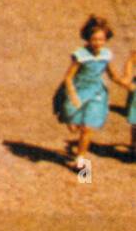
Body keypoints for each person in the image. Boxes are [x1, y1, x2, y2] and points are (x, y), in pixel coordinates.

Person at [53, 15, 130, 173]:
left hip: (96, 92)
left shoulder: (106, 55)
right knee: (74, 127)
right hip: (78, 89)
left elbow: (113, 76)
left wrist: (128, 85)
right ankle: (69, 119)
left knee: (87, 128)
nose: (98, 43)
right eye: (94, 39)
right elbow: (68, 78)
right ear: (87, 38)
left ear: (106, 39)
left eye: (101, 39)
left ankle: (81, 164)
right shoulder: (80, 55)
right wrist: (73, 95)